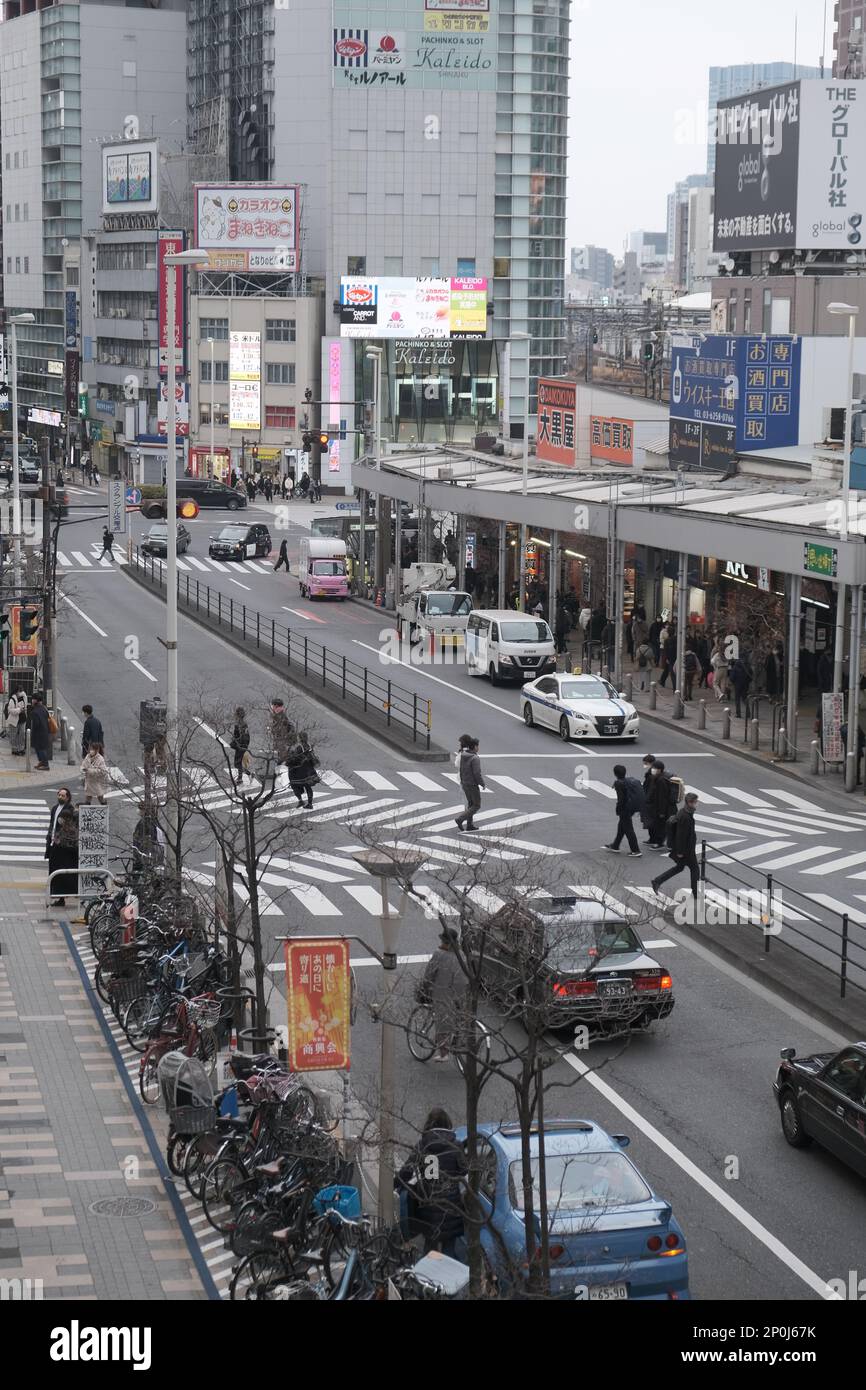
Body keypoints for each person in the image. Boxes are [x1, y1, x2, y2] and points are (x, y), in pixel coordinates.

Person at [396, 1108, 466, 1256]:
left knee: (430, 1247)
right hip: (451, 1206)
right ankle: (449, 1276)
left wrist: (396, 1184)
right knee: (449, 1249)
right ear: (447, 1124)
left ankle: (427, 1274)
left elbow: (406, 1172)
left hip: (428, 1204)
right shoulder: (456, 1145)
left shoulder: (423, 1146)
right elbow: (464, 1170)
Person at [417, 929, 468, 1062]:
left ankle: (444, 1054)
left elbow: (429, 974)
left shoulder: (439, 954)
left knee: (442, 1022)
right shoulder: (461, 954)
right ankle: (459, 1041)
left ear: (444, 941)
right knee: (459, 1017)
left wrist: (424, 987)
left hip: (444, 992)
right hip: (462, 992)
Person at [652, 792, 700, 901]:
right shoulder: (685, 817)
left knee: (680, 867)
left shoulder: (684, 812)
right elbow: (681, 835)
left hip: (686, 848)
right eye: (696, 802)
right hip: (686, 850)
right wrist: (680, 851)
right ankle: (696, 893)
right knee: (695, 869)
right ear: (690, 803)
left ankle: (657, 881)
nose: (697, 804)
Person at [46, 788, 78, 907]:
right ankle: (56, 894)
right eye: (59, 795)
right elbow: (52, 823)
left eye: (63, 795)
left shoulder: (70, 810)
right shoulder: (55, 808)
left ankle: (61, 897)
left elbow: (71, 826)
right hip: (54, 843)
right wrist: (49, 837)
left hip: (63, 845)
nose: (60, 797)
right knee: (53, 869)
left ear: (68, 797)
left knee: (61, 871)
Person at [602, 764, 643, 857]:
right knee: (622, 825)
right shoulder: (630, 780)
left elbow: (621, 799)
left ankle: (636, 850)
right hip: (632, 806)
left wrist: (618, 809)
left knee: (628, 828)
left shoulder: (619, 783)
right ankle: (615, 845)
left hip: (625, 808)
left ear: (615, 773)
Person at [454, 734, 484, 833]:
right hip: (472, 784)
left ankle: (470, 825)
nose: (478, 748)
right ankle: (460, 819)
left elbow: (460, 769)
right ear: (475, 746)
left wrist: (462, 781)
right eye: (478, 746)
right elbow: (477, 773)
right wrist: (482, 783)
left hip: (464, 783)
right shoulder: (475, 758)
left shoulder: (463, 755)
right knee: (476, 805)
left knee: (470, 804)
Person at [644, 760, 677, 849]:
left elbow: (662, 797)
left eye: (654, 768)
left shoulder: (661, 780)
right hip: (661, 807)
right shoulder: (658, 777)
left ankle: (660, 843)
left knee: (661, 826)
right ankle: (657, 841)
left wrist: (661, 812)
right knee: (659, 825)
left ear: (660, 770)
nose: (652, 769)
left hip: (663, 808)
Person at [286, 731, 319, 808]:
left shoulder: (300, 747)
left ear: (300, 738)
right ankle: (310, 803)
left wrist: (289, 761)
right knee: (308, 786)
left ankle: (300, 800)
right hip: (309, 770)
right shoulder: (309, 746)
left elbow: (295, 758)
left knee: (293, 784)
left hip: (300, 770)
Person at [132, 802, 165, 871]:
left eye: (140, 809)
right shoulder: (154, 822)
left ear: (144, 811)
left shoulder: (145, 823)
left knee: (138, 873)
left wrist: (138, 849)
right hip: (151, 853)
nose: (139, 811)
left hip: (143, 854)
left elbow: (142, 838)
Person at [30, 691, 52, 770]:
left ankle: (45, 764)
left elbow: (36, 724)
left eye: (33, 699)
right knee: (39, 748)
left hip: (39, 733)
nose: (32, 701)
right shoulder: (43, 708)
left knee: (41, 749)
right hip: (45, 731)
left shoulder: (35, 712)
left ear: (35, 700)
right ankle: (42, 762)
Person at [269, 697, 293, 767]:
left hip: (280, 741)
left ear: (276, 706)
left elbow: (279, 730)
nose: (271, 707)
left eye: (272, 705)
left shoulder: (279, 716)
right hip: (280, 741)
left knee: (281, 759)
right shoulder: (279, 715)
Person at [229, 707, 250, 781]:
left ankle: (245, 775)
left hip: (239, 746)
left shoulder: (238, 724)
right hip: (244, 745)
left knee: (237, 763)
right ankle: (241, 777)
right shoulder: (244, 724)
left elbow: (237, 736)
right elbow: (247, 736)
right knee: (239, 762)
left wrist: (234, 741)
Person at [6, 689, 27, 755]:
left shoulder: (24, 697)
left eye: (21, 691)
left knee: (22, 734)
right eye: (19, 691)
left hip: (22, 719)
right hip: (14, 720)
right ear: (16, 692)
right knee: (13, 735)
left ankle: (21, 749)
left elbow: (25, 706)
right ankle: (14, 749)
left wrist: (23, 709)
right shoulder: (12, 699)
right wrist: (19, 710)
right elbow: (10, 710)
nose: (20, 693)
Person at [729, 654, 751, 719]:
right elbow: (751, 674)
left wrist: (733, 682)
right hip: (745, 684)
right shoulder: (747, 665)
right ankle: (748, 712)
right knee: (744, 698)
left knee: (737, 699)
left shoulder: (736, 666)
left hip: (737, 685)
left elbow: (732, 677)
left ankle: (738, 713)